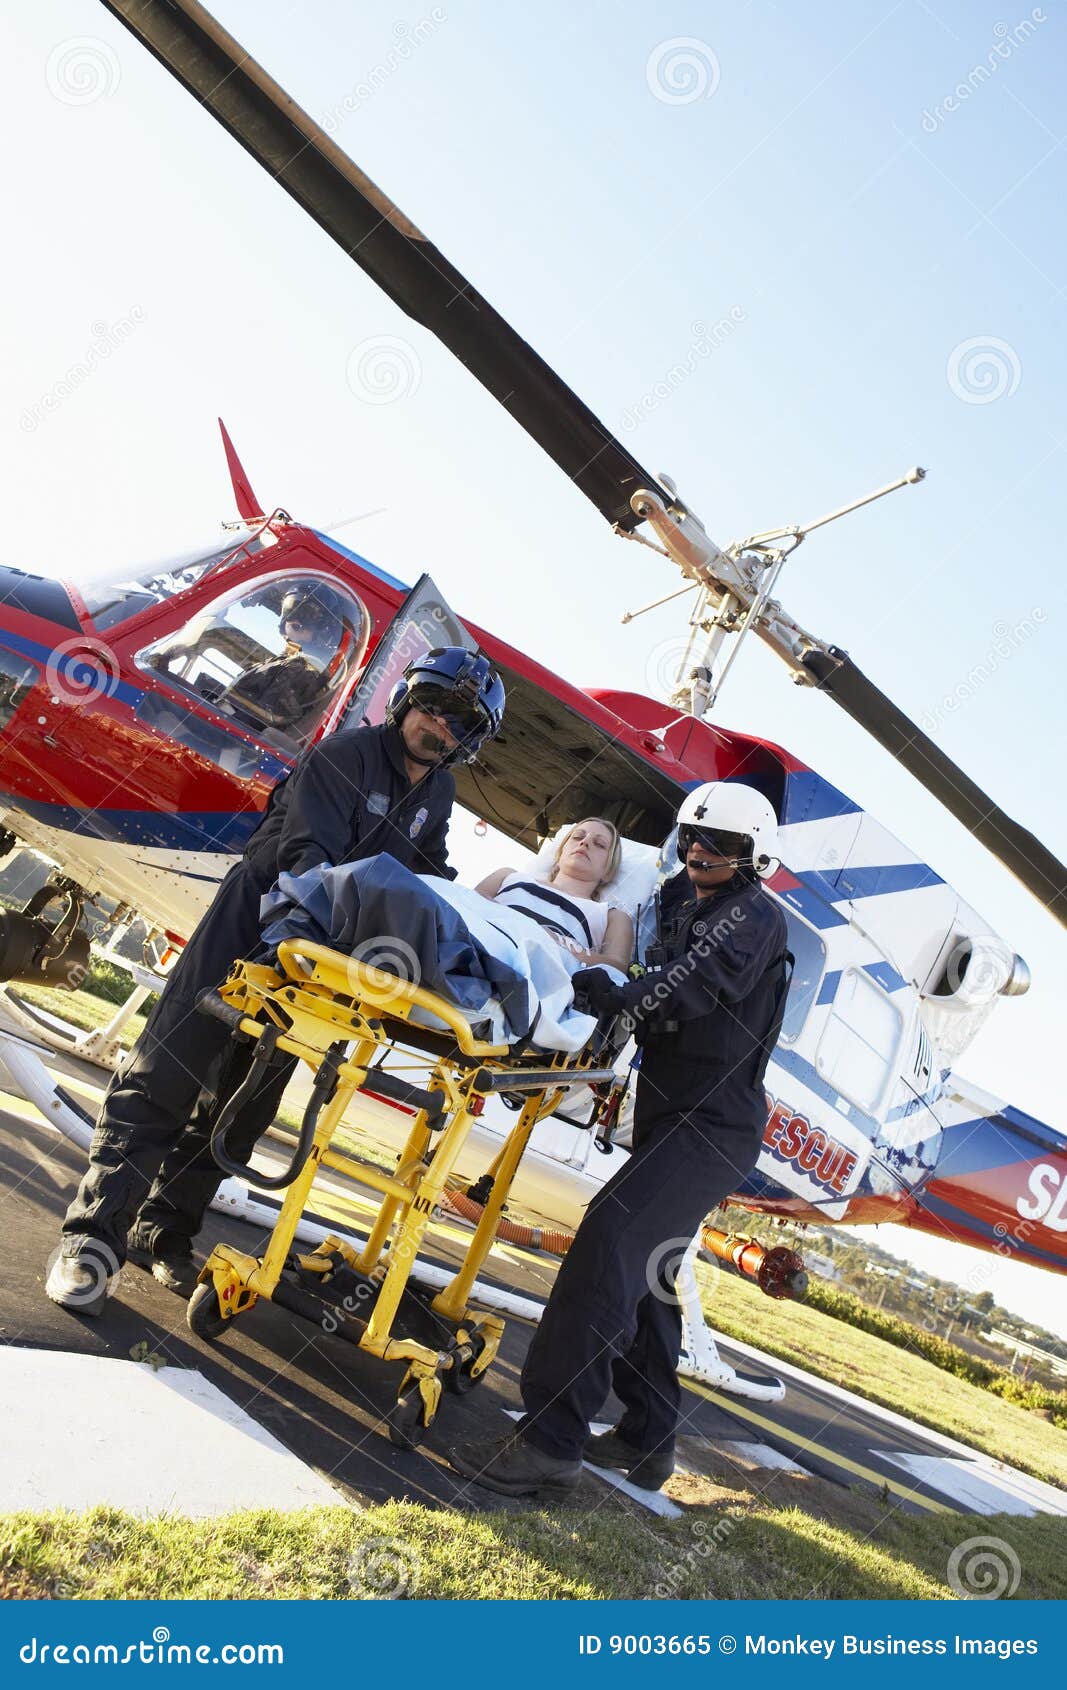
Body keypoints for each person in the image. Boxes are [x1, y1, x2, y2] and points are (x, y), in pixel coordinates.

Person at [47, 646, 505, 1315]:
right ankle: (90, 1241)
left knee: (247, 1103)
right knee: (163, 1077)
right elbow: (306, 855)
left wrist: (468, 929)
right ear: (409, 699)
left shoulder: (438, 793)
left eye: (456, 721)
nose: (437, 723)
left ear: (466, 741)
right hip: (256, 921)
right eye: (432, 704)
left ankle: (162, 1233)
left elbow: (426, 875)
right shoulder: (345, 755)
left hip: (323, 959)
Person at [448, 781, 790, 1496]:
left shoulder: (752, 917)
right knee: (652, 1277)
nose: (698, 852)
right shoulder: (676, 903)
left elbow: (695, 985)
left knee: (606, 1246)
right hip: (671, 1117)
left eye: (718, 845)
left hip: (710, 1128)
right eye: (690, 838)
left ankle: (549, 1440)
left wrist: (622, 993)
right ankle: (646, 1439)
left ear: (753, 858)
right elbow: (648, 964)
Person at [475, 817, 634, 972]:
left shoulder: (610, 916)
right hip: (476, 944)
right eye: (578, 836)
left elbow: (616, 967)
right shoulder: (508, 876)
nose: (584, 842)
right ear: (560, 854)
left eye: (599, 844)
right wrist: (526, 926)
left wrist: (557, 943)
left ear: (609, 871)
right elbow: (467, 903)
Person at [220, 584, 356, 736]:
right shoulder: (293, 664)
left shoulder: (300, 672)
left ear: (324, 628)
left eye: (307, 613)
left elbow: (249, 724)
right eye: (292, 608)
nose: (293, 618)